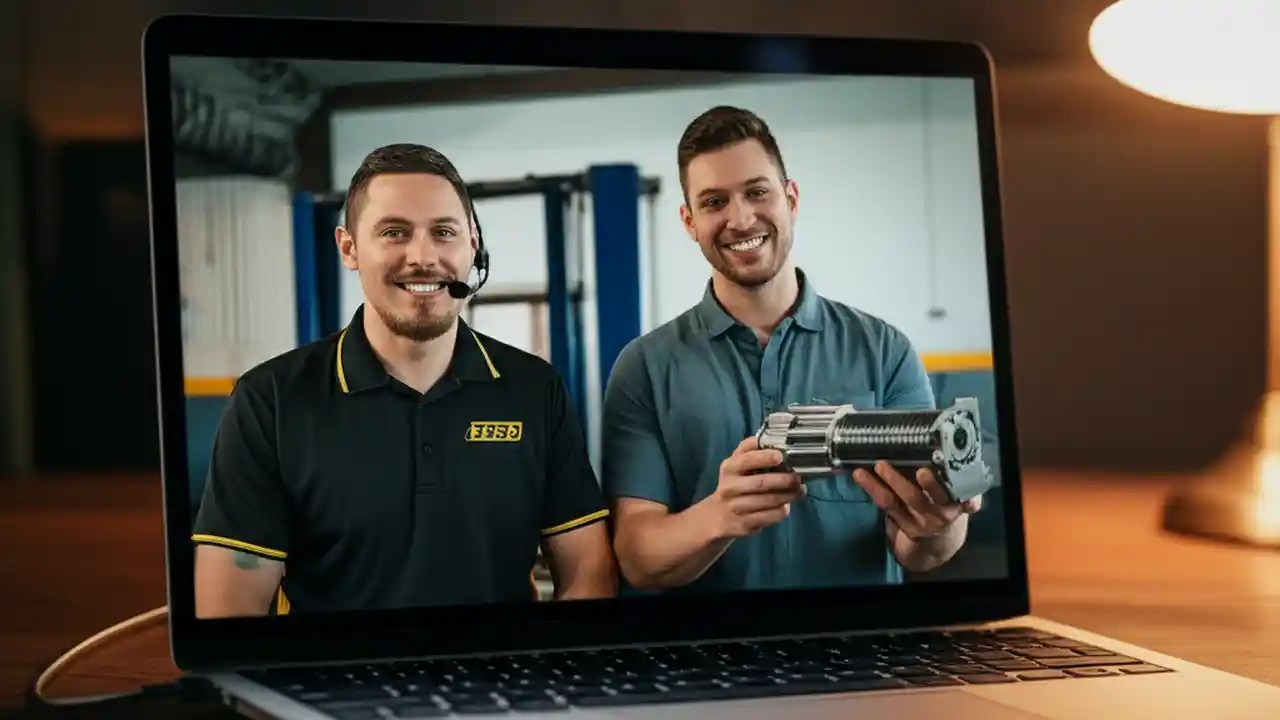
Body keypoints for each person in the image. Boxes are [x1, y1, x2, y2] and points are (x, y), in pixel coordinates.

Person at [192, 143, 616, 618]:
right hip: (336, 685)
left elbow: (588, 574)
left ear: (472, 244)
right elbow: (229, 612)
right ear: (348, 248)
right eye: (394, 232)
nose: (423, 256)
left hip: (502, 683)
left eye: (444, 232)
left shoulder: (535, 390)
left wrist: (546, 681)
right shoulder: (269, 401)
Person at [602, 106, 982, 595]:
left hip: (860, 655)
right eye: (714, 202)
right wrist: (720, 515)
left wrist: (941, 525)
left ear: (791, 198)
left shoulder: (885, 350)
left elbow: (917, 549)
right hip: (700, 660)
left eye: (757, 192)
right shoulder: (645, 368)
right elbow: (636, 556)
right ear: (689, 221)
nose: (740, 219)